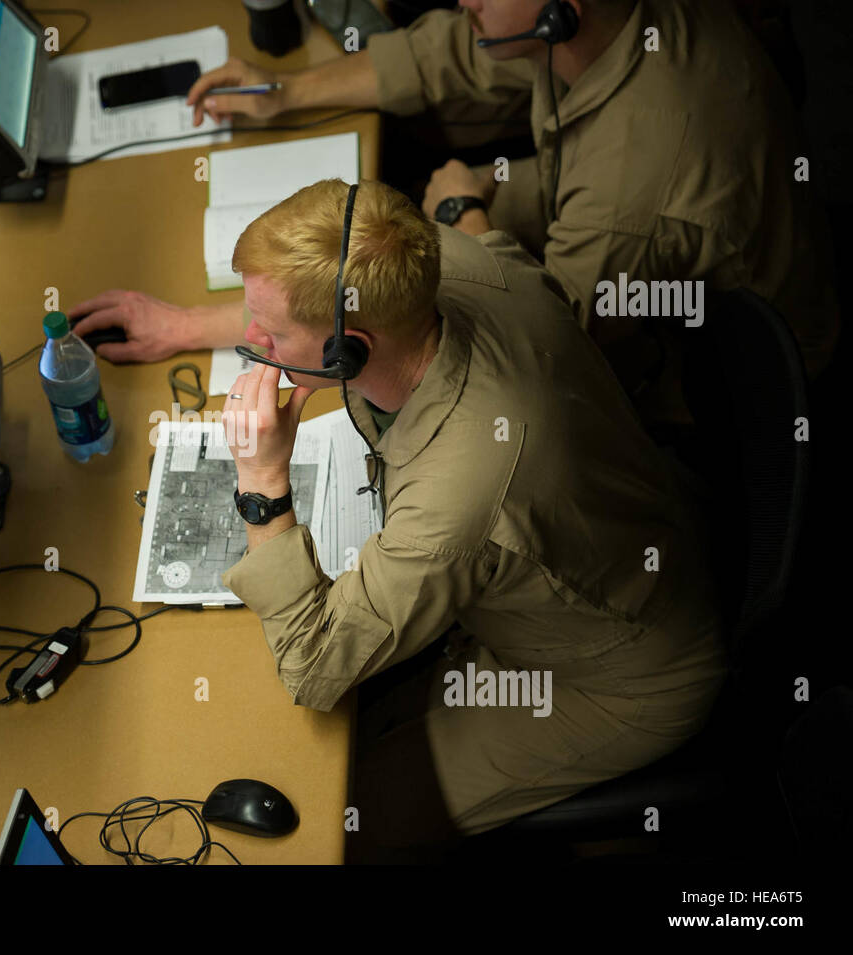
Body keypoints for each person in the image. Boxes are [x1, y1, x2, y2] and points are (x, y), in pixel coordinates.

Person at [78, 178, 727, 856]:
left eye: (266, 334)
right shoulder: (434, 264)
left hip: (617, 673)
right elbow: (296, 301)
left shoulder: (457, 500)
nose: (250, 339)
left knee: (338, 821)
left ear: (347, 350)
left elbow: (314, 664)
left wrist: (263, 483)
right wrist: (185, 324)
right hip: (630, 527)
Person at [173, 0, 838, 424]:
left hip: (713, 370)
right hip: (597, 214)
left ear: (562, 11)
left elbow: (547, 347)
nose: (466, 0)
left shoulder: (634, 183)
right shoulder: (594, 27)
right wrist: (282, 91)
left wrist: (466, 217)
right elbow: (454, 55)